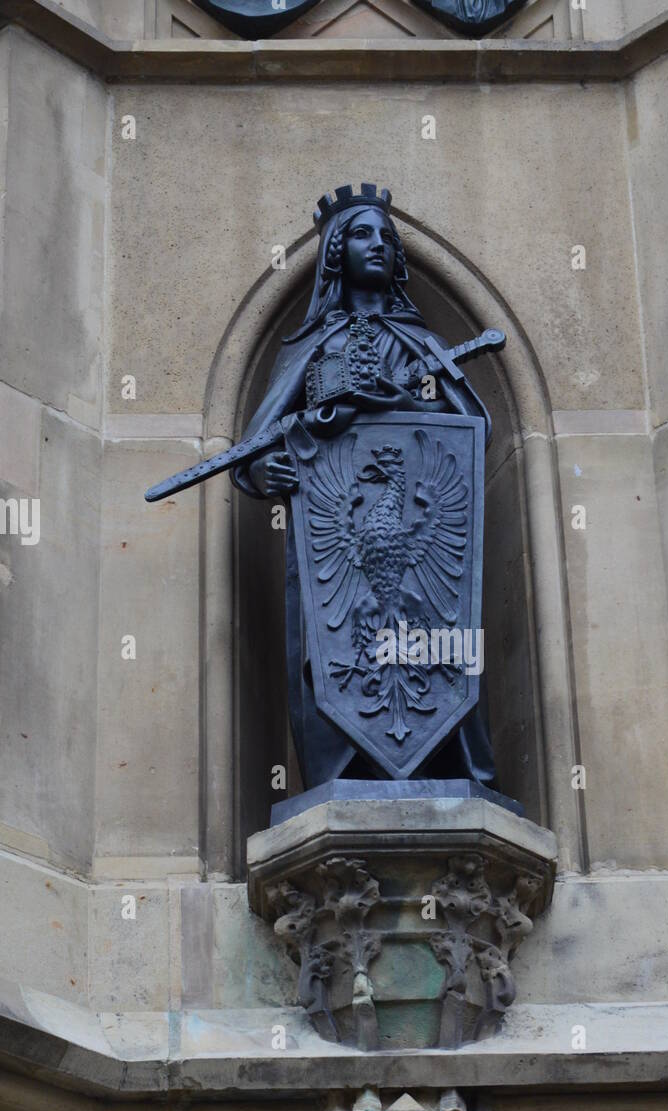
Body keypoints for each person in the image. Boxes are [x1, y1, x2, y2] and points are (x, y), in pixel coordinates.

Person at [231, 184, 497, 792]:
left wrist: (405, 397)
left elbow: (469, 433)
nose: (376, 244)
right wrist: (260, 472)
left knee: (436, 650)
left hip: (419, 551)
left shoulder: (422, 346)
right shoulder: (310, 349)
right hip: (336, 551)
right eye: (360, 234)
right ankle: (340, 776)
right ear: (333, 254)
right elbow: (259, 441)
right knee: (337, 654)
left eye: (384, 236)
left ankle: (446, 768)